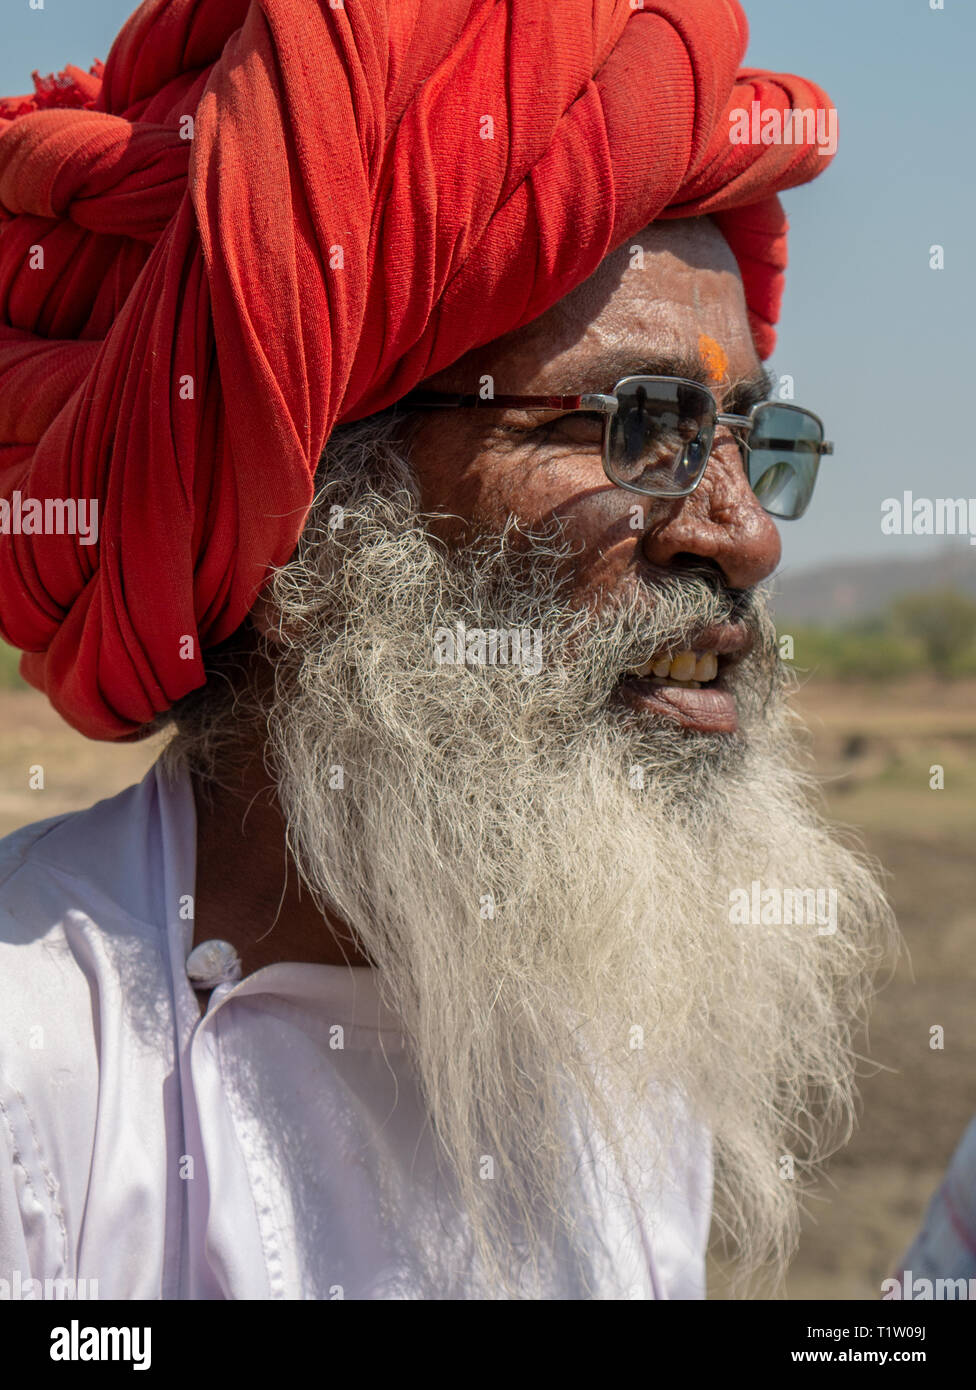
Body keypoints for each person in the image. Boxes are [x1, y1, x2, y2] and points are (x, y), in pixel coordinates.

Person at [0, 0, 897, 1300]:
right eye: (635, 425)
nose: (744, 535)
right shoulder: (36, 1061)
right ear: (313, 519)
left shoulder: (616, 1030)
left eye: (749, 436)